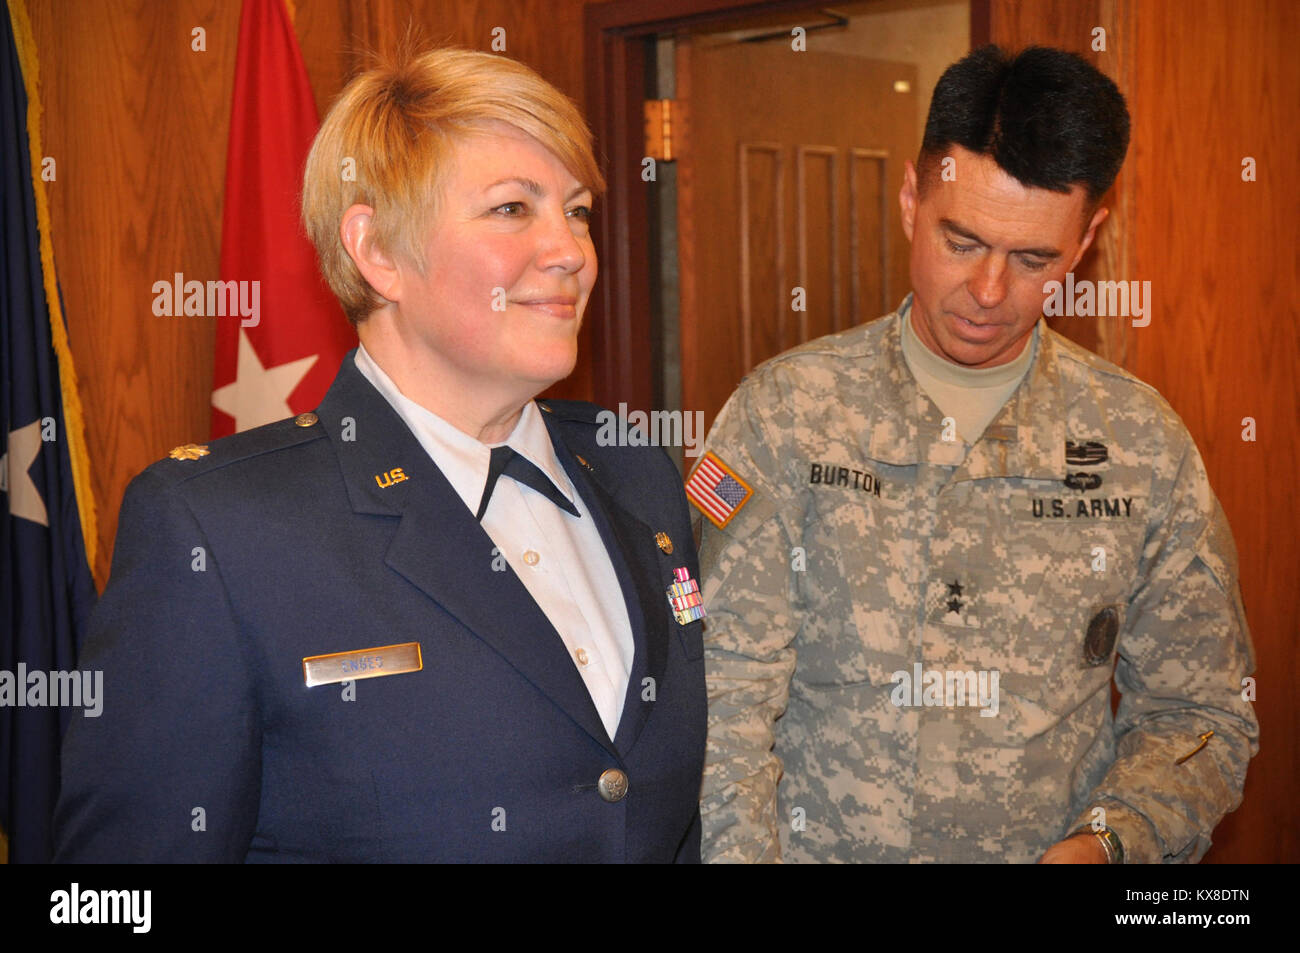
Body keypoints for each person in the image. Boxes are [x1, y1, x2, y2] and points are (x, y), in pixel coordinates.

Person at [54, 47, 706, 862]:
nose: (571, 249)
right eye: (513, 209)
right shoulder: (220, 531)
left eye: (576, 211)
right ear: (378, 252)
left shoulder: (636, 471)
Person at [692, 45, 1257, 864]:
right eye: (962, 241)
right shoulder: (782, 417)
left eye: (1034, 260)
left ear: (1087, 239)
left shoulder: (1140, 446)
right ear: (912, 200)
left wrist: (1108, 843)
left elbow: (1201, 714)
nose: (990, 292)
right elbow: (720, 698)